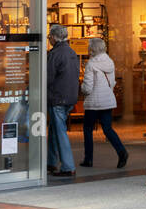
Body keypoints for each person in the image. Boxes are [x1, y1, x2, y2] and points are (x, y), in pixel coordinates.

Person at [79, 36, 128, 170]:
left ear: (92, 49)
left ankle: (88, 159)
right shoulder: (110, 62)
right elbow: (111, 82)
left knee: (88, 129)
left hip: (93, 102)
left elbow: (88, 87)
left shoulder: (91, 64)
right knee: (107, 128)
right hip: (107, 100)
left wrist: (82, 89)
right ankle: (121, 151)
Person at [46, 24, 80, 179]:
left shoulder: (55, 54)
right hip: (70, 97)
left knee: (59, 132)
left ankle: (68, 166)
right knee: (54, 129)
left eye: (49, 37)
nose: (49, 39)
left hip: (58, 97)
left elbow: (48, 77)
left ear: (53, 37)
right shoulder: (72, 52)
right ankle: (51, 162)